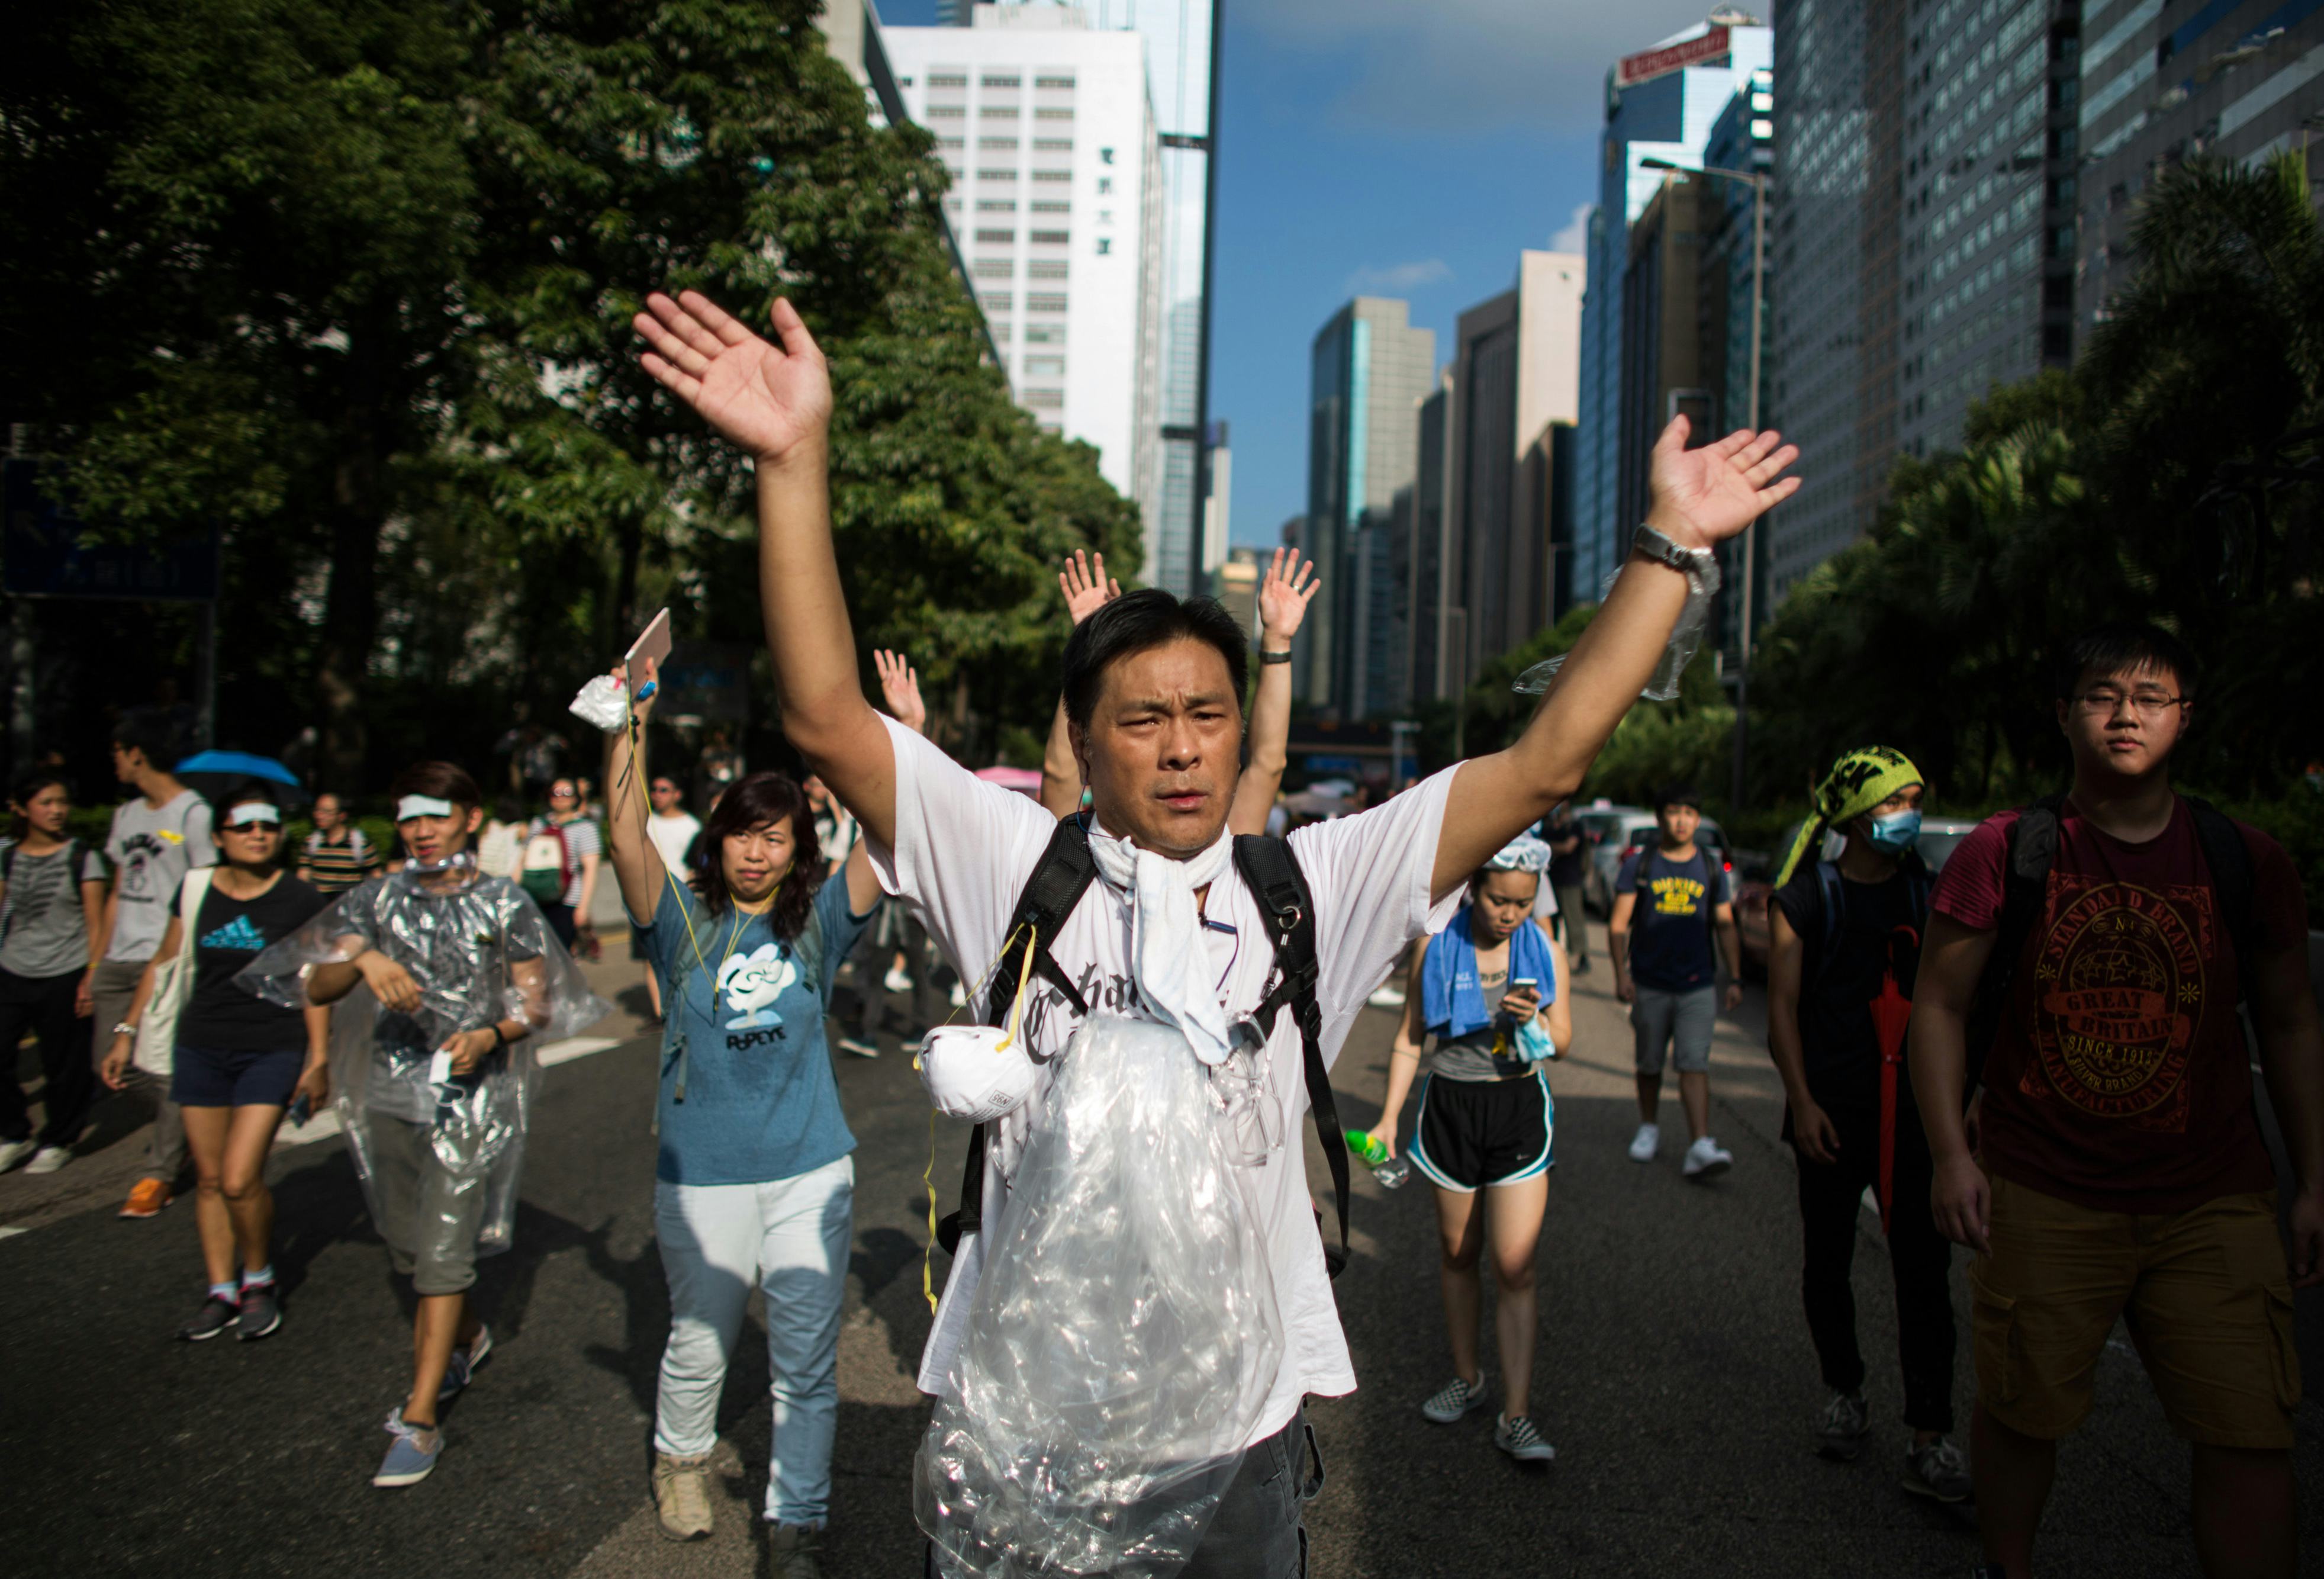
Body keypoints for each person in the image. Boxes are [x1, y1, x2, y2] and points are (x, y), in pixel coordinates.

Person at [630, 285, 1796, 1572]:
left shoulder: (1307, 887)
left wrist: (1667, 551)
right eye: (1141, 719)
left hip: (1236, 1432)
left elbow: (1541, 766)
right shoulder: (1017, 862)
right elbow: (828, 721)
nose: (1182, 747)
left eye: (1208, 713)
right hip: (1031, 1428)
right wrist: (793, 464)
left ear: (1243, 728)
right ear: (1080, 737)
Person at [1908, 625, 2324, 1579]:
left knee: (2250, 1428)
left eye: (2153, 696)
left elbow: (2294, 1023)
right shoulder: (2005, 849)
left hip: (2215, 1197)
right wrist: (1951, 1153)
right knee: (2023, 1412)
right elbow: (1938, 1003)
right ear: (2065, 714)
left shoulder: (2244, 857)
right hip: (2044, 1189)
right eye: (2104, 694)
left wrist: (2315, 1185)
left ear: (2185, 718)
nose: (2128, 712)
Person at [246, 761, 603, 1488]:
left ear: (470, 818)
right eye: (409, 816)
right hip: (388, 1094)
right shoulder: (374, 900)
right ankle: (469, 1335)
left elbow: (538, 1006)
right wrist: (364, 957)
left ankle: (419, 1416)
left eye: (436, 814)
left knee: (442, 1253)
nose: (421, 829)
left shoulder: (504, 902)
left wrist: (490, 1037)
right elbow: (314, 982)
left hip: (471, 1101)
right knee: (410, 1252)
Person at [603, 661, 880, 1575]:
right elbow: (624, 830)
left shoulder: (820, 923)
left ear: (799, 848)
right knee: (702, 1335)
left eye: (776, 838)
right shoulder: (677, 923)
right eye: (742, 836)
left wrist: (895, 736)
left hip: (810, 1168)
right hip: (703, 1173)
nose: (756, 852)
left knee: (804, 1358)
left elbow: (883, 833)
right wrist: (627, 724)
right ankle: (679, 1460)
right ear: (717, 843)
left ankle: (797, 1518)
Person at [1763, 748, 1967, 1500]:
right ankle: (1844, 1392)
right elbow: (1781, 1011)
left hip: (1914, 1117)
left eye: (1914, 798)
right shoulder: (1804, 899)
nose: (1904, 815)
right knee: (1827, 1264)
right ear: (1852, 816)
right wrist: (1803, 1100)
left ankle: (1931, 1434)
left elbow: (1955, 1004)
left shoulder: (1932, 894)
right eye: (1892, 802)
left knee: (1924, 1272)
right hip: (1832, 1114)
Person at [99, 783, 330, 1341]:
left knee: (238, 1176)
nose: (258, 834)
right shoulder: (196, 887)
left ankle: (259, 1278)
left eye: (268, 826)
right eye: (245, 825)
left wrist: (318, 1058)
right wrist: (125, 1032)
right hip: (200, 1042)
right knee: (207, 1180)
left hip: (272, 1045)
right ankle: (220, 1289)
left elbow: (315, 980)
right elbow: (165, 960)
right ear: (221, 835)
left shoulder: (299, 897)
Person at [1373, 832, 1572, 1463]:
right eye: (1497, 901)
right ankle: (1468, 1377)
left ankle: (1517, 1414)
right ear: (1473, 890)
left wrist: (1532, 1022)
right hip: (1452, 1107)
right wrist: (1386, 1119)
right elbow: (1410, 1037)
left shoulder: (1544, 949)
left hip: (1516, 1108)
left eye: (1522, 902)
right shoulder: (1436, 944)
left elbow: (1562, 1041)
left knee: (1515, 1264)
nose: (1510, 914)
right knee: (1459, 1253)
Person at [1039, 545, 1313, 840]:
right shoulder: (1068, 858)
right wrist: (1093, 657)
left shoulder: (1236, 852)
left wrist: (1277, 641)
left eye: (1205, 716)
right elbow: (1059, 773)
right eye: (1146, 721)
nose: (1183, 753)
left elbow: (1267, 764)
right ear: (1083, 750)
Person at [95, 711, 215, 1218]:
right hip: (119, 954)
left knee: (163, 1064)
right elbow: (118, 888)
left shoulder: (194, 813)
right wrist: (94, 959)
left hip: (168, 956)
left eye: (117, 753)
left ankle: (160, 1171)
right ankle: (195, 1121)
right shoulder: (125, 816)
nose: (115, 763)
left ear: (135, 752)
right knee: (110, 1061)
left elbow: (207, 886)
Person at [1609, 784, 1742, 1177]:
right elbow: (1618, 925)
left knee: (1694, 1062)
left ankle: (1700, 1143)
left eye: (1689, 812)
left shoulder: (1711, 866)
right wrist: (1622, 974)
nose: (1682, 820)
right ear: (1660, 816)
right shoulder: (1641, 864)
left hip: (1698, 982)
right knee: (1649, 1062)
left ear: (1698, 819)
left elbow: (1726, 923)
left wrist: (1735, 977)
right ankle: (1649, 1126)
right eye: (1674, 811)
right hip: (1650, 982)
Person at [0, 770, 109, 1175]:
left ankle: (60, 1138)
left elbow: (97, 924)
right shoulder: (7, 855)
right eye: (46, 802)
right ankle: (14, 1133)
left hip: (65, 971)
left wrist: (90, 976)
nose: (57, 810)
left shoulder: (83, 856)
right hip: (12, 967)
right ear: (21, 807)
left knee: (63, 1063)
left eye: (62, 802)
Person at [837, 649, 938, 1059]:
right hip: (878, 899)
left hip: (909, 901)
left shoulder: (914, 800)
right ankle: (867, 1031)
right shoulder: (857, 801)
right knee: (873, 968)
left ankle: (923, 1028)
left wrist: (913, 727)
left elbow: (911, 783)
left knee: (916, 966)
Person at [638, 773, 702, 1019]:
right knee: (651, 957)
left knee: (681, 956)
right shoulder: (646, 825)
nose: (657, 794)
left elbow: (694, 866)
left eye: (664, 789)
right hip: (648, 899)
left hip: (680, 901)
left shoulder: (692, 826)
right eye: (654, 789)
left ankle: (684, 1008)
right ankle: (660, 1014)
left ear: (677, 794)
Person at [522, 777, 602, 953]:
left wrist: (583, 907)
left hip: (567, 900)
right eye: (556, 793)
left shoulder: (585, 828)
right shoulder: (538, 824)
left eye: (567, 793)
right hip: (535, 897)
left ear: (575, 798)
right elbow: (524, 860)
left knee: (562, 955)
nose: (561, 797)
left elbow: (590, 869)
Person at [1541, 800, 1594, 972]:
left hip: (1570, 881)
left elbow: (1568, 847)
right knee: (1551, 922)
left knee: (1574, 921)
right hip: (1551, 880)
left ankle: (1582, 958)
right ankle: (1553, 958)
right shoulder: (1548, 824)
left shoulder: (1574, 826)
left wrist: (1547, 846)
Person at [297, 793, 380, 898]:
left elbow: (376, 876)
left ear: (341, 816)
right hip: (321, 907)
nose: (319, 816)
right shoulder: (311, 843)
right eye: (317, 810)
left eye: (326, 812)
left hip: (351, 905)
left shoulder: (360, 843)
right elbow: (303, 876)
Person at [803, 775, 854, 876]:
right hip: (803, 869)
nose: (823, 789)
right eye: (818, 785)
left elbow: (844, 837)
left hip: (824, 872)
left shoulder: (833, 814)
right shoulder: (800, 812)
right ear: (807, 786)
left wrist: (835, 809)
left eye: (825, 785)